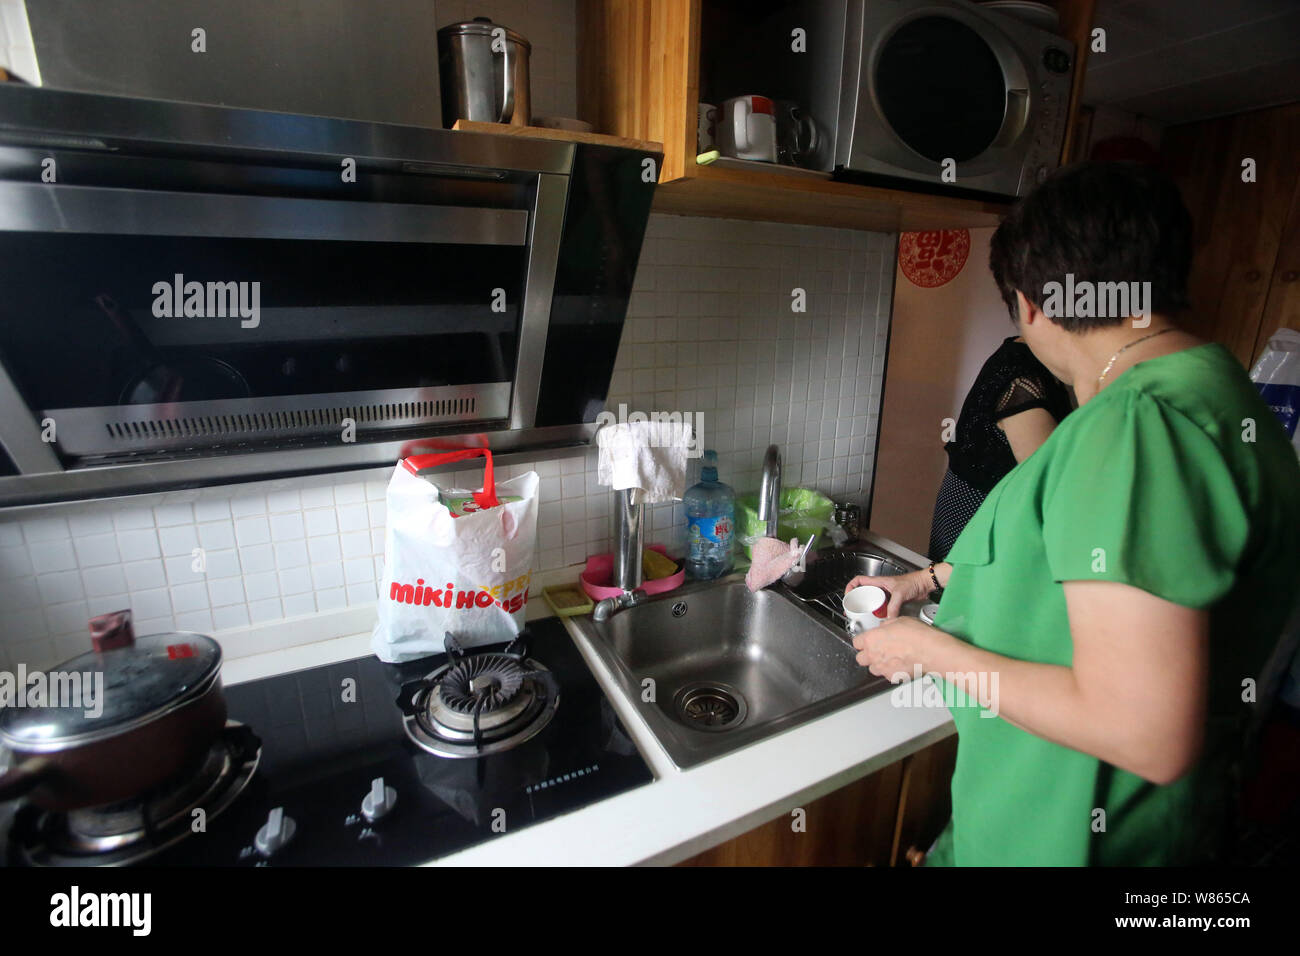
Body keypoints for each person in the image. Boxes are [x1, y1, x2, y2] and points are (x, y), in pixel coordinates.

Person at [845, 161, 1300, 866]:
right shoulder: (1218, 393)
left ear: (1031, 305)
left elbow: (1142, 731)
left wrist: (928, 649)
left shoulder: (1132, 426)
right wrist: (929, 581)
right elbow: (1067, 554)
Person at [929, 335, 1073, 559]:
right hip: (979, 517)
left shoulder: (1032, 360)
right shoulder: (1022, 379)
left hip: (973, 514)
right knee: (959, 587)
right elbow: (1054, 492)